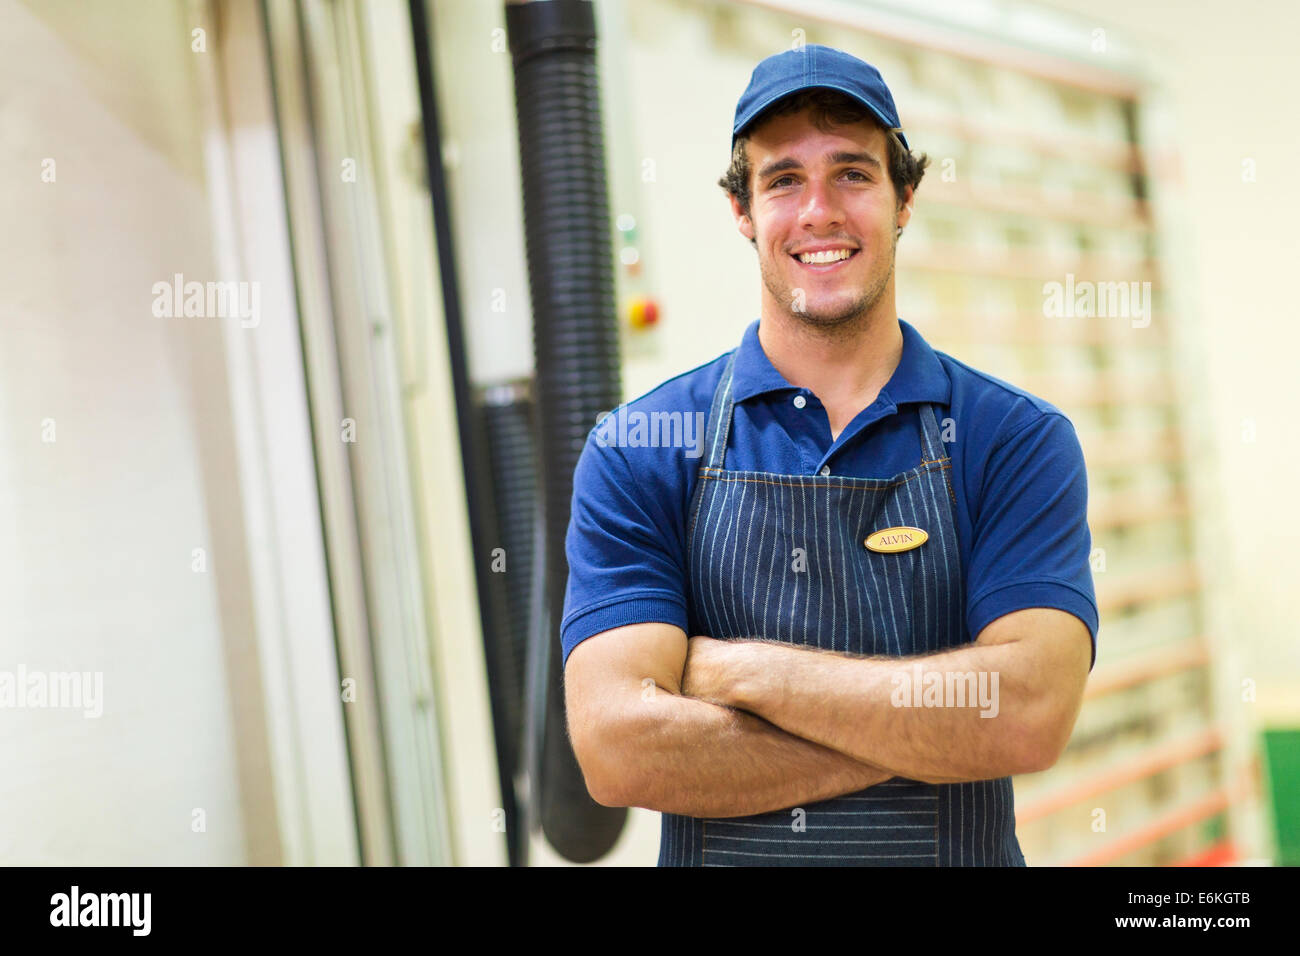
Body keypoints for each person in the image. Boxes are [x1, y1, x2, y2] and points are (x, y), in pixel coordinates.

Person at [560, 44, 1096, 866]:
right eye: (782, 180)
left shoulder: (1011, 438)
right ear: (742, 209)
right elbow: (617, 749)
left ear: (904, 196)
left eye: (852, 173)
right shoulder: (640, 446)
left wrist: (746, 676)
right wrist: (930, 739)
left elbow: (1025, 714)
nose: (819, 211)